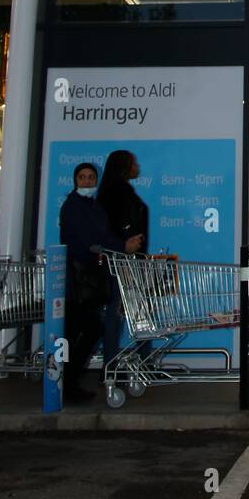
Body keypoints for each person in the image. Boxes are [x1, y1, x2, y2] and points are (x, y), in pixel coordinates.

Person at [59, 162, 143, 405]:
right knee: (83, 329)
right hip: (77, 280)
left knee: (83, 329)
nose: (86, 181)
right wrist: (121, 246)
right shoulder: (73, 207)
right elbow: (89, 240)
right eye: (82, 177)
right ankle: (67, 383)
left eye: (90, 177)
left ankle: (68, 382)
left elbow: (104, 236)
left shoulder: (94, 207)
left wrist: (123, 244)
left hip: (90, 279)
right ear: (75, 181)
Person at [97, 150, 149, 367]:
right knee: (123, 313)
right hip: (123, 261)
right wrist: (126, 247)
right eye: (134, 163)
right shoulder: (118, 193)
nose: (138, 166)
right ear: (125, 166)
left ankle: (117, 364)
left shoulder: (115, 191)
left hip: (124, 260)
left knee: (128, 312)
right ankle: (119, 365)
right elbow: (119, 226)